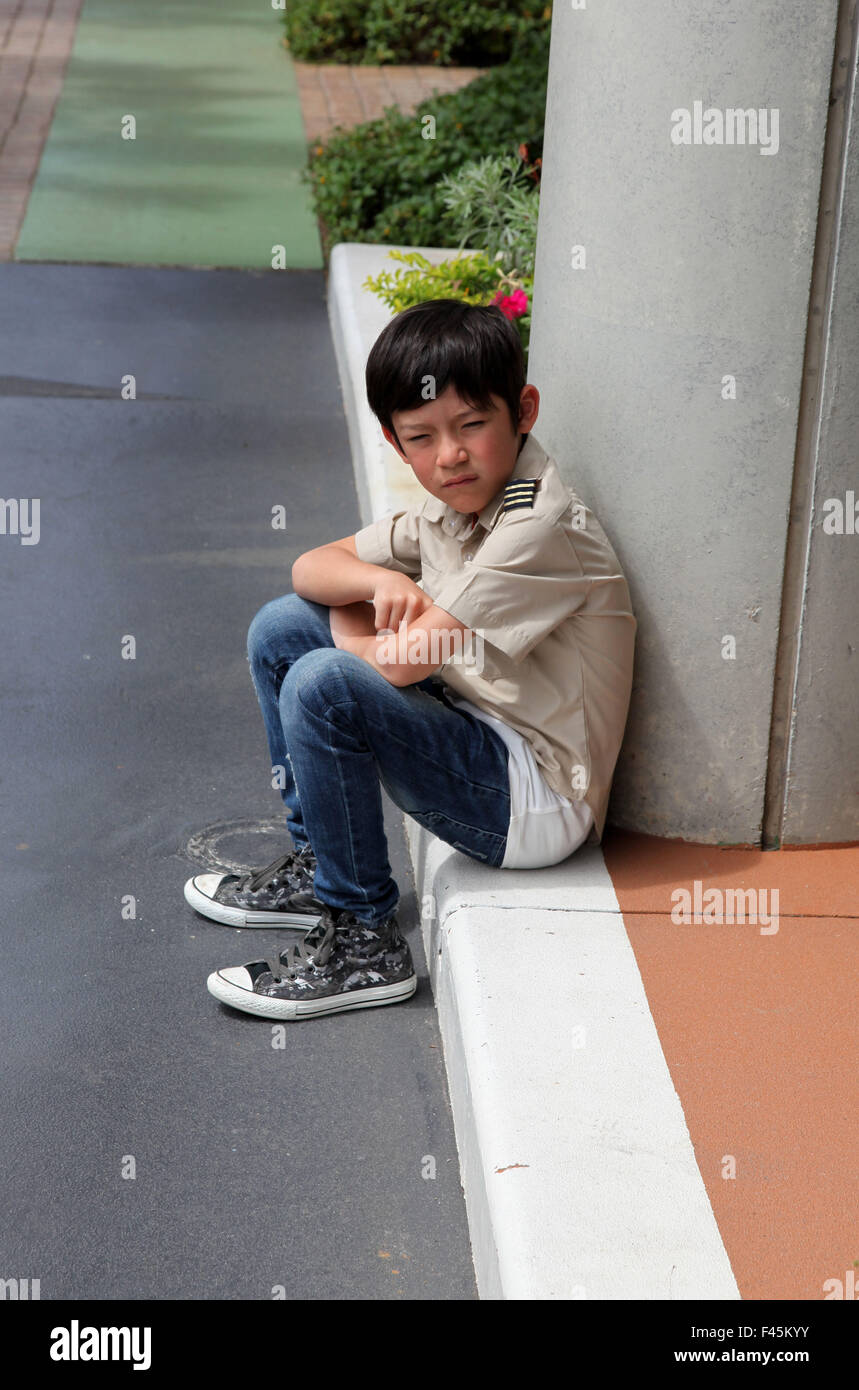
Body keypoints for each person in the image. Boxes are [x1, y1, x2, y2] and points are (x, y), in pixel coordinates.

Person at [185, 299, 637, 1021]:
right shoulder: (449, 506)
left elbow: (399, 665)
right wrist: (379, 582)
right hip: (477, 726)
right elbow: (312, 567)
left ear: (523, 410)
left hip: (535, 799)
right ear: (397, 446)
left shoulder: (537, 525)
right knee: (281, 627)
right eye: (421, 437)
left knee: (323, 681)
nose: (449, 455)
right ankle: (319, 869)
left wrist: (357, 635)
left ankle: (366, 942)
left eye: (471, 426)